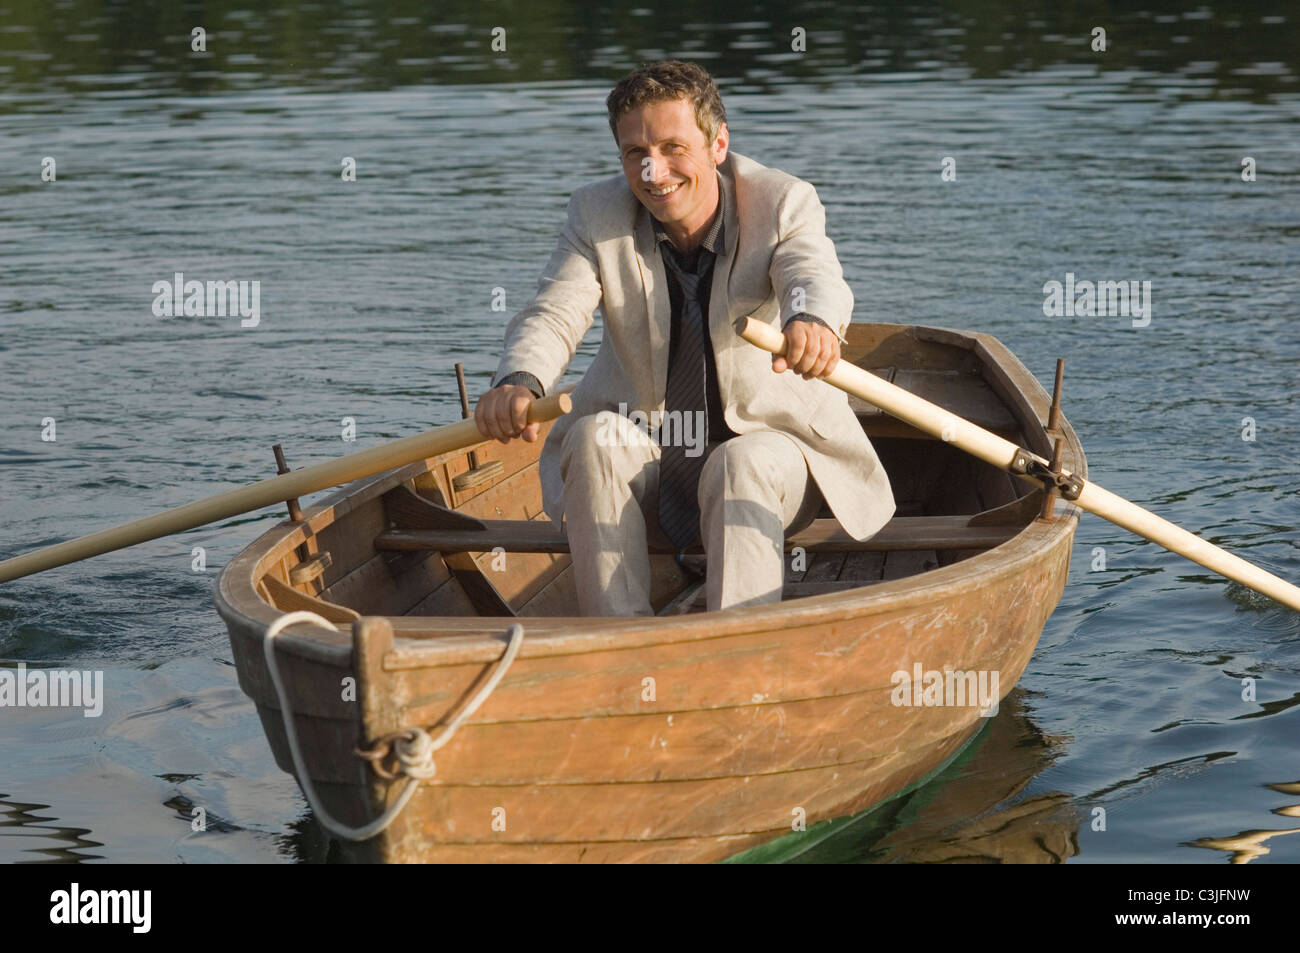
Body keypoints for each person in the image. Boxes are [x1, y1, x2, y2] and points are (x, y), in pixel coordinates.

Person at [474, 60, 894, 616]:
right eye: (635, 154)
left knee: (736, 463)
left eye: (674, 147)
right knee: (595, 437)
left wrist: (811, 322)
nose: (653, 171)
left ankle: (734, 646)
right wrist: (519, 379)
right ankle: (616, 647)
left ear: (718, 144)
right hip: (652, 454)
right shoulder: (594, 214)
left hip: (775, 453)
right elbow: (555, 311)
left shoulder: (783, 201)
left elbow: (812, 278)